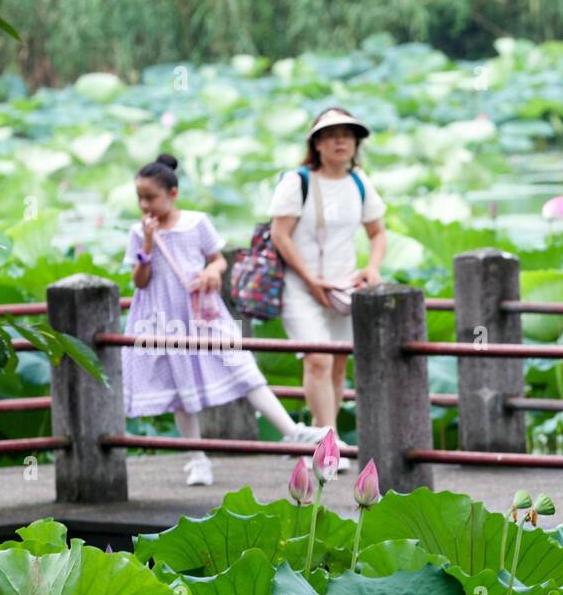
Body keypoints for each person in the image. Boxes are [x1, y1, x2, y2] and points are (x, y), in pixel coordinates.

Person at [123, 153, 326, 486]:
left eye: (151, 197)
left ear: (172, 194)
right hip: (163, 318)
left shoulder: (196, 223)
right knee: (181, 388)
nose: (145, 205)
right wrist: (147, 243)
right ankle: (197, 459)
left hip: (204, 314)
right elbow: (140, 280)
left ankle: (292, 432)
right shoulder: (139, 233)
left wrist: (212, 273)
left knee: (243, 368)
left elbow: (218, 260)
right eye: (140, 198)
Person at [269, 107, 387, 470]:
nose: (340, 141)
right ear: (316, 143)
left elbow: (378, 231)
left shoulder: (359, 182)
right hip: (301, 287)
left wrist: (372, 268)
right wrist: (308, 279)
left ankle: (324, 442)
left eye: (347, 135)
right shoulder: (298, 181)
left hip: (341, 289)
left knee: (337, 367)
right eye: (332, 134)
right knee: (317, 360)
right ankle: (330, 447)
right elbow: (280, 234)